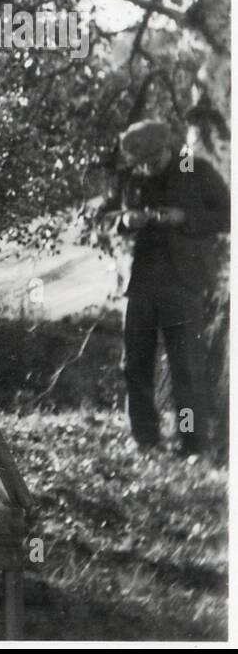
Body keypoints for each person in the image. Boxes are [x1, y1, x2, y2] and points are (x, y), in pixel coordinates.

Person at [109, 118, 229, 457]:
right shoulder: (134, 177)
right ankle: (146, 440)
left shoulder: (195, 169)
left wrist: (185, 220)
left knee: (186, 369)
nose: (147, 167)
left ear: (167, 148)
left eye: (153, 159)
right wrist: (126, 221)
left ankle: (192, 444)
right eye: (141, 162)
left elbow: (227, 215)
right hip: (142, 283)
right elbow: (113, 216)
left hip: (183, 282)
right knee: (135, 364)